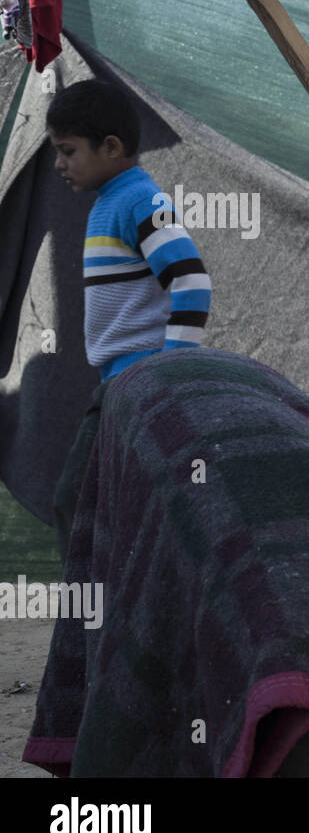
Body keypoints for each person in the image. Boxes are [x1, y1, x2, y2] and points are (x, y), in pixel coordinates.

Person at [46, 78, 212, 552]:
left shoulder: (143, 201)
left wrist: (173, 368)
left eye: (68, 150)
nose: (59, 164)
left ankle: (91, 615)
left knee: (76, 499)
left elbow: (193, 283)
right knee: (116, 506)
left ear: (111, 146)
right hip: (120, 382)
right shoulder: (109, 203)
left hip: (138, 383)